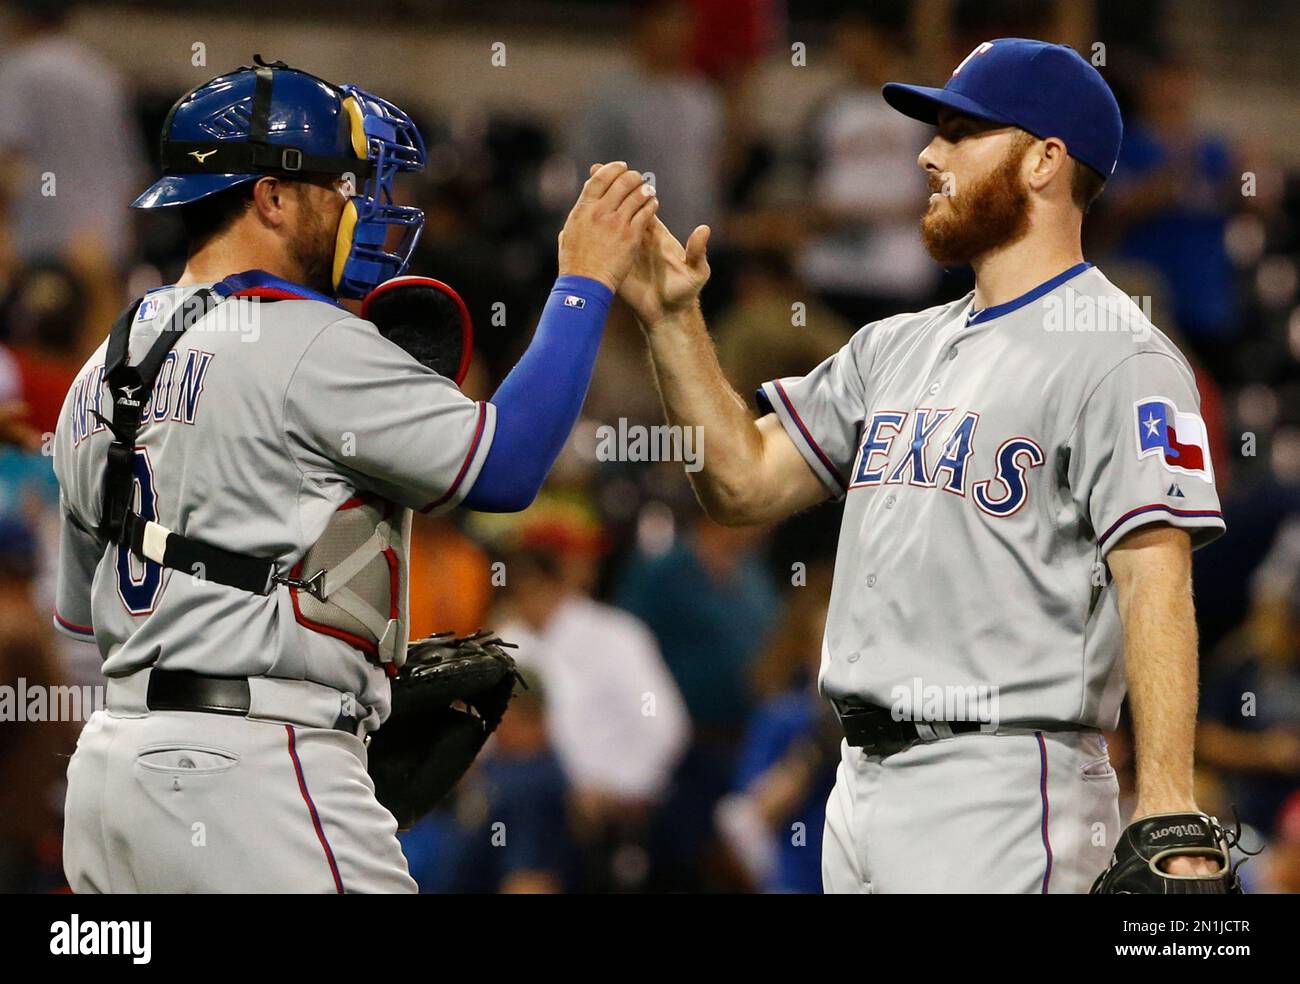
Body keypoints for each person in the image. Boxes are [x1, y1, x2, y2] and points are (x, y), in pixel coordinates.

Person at [613, 39, 1229, 892]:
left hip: (1006, 787)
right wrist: (673, 323)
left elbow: (1155, 578)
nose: (928, 155)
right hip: (858, 782)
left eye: (960, 131)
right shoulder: (894, 345)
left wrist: (1165, 801)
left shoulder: (1121, 357)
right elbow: (743, 483)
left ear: (1045, 160)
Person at [52, 58, 658, 893]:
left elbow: (84, 618)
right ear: (269, 196)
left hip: (110, 776)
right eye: (338, 182)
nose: (359, 204)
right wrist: (585, 281)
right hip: (256, 773)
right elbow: (508, 465)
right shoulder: (306, 339)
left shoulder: (100, 367)